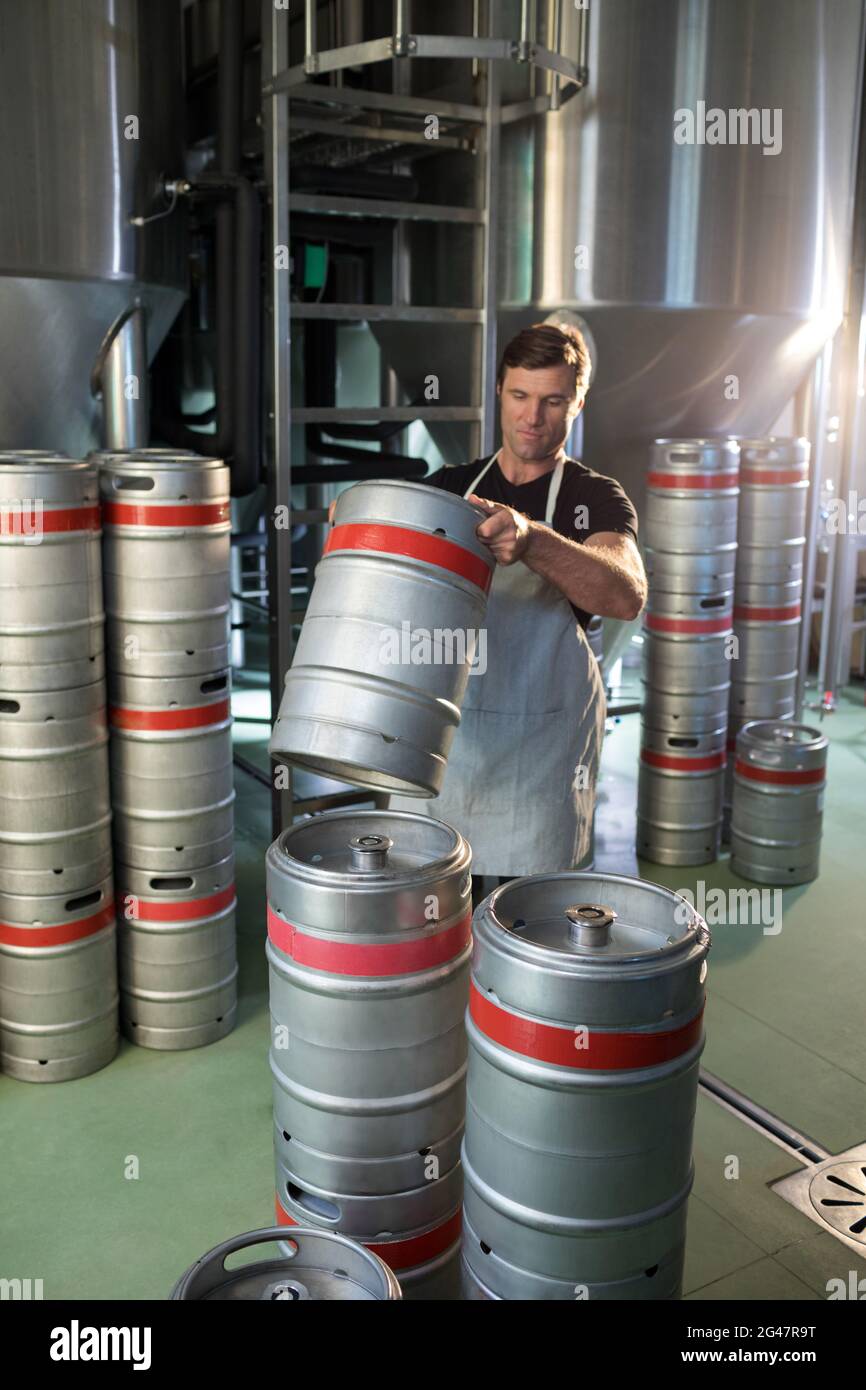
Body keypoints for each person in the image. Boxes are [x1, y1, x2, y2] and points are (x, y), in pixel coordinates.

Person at [389, 322, 647, 889]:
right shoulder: (452, 487)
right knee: (432, 930)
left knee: (519, 937)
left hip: (539, 766)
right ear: (500, 391)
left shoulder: (592, 498)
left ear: (576, 401)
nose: (533, 417)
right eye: (520, 396)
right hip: (450, 755)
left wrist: (534, 541)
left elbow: (625, 594)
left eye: (553, 401)